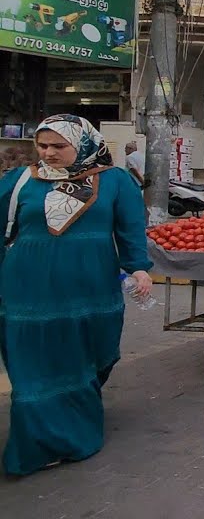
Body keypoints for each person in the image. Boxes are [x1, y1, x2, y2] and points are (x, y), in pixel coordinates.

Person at [0, 115, 153, 476]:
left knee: (87, 359)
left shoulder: (115, 182)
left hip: (91, 291)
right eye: (43, 146)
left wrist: (139, 267)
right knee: (31, 371)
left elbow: (131, 229)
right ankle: (38, 445)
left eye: (58, 146)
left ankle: (73, 420)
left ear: (81, 144)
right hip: (26, 290)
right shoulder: (20, 180)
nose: (49, 153)